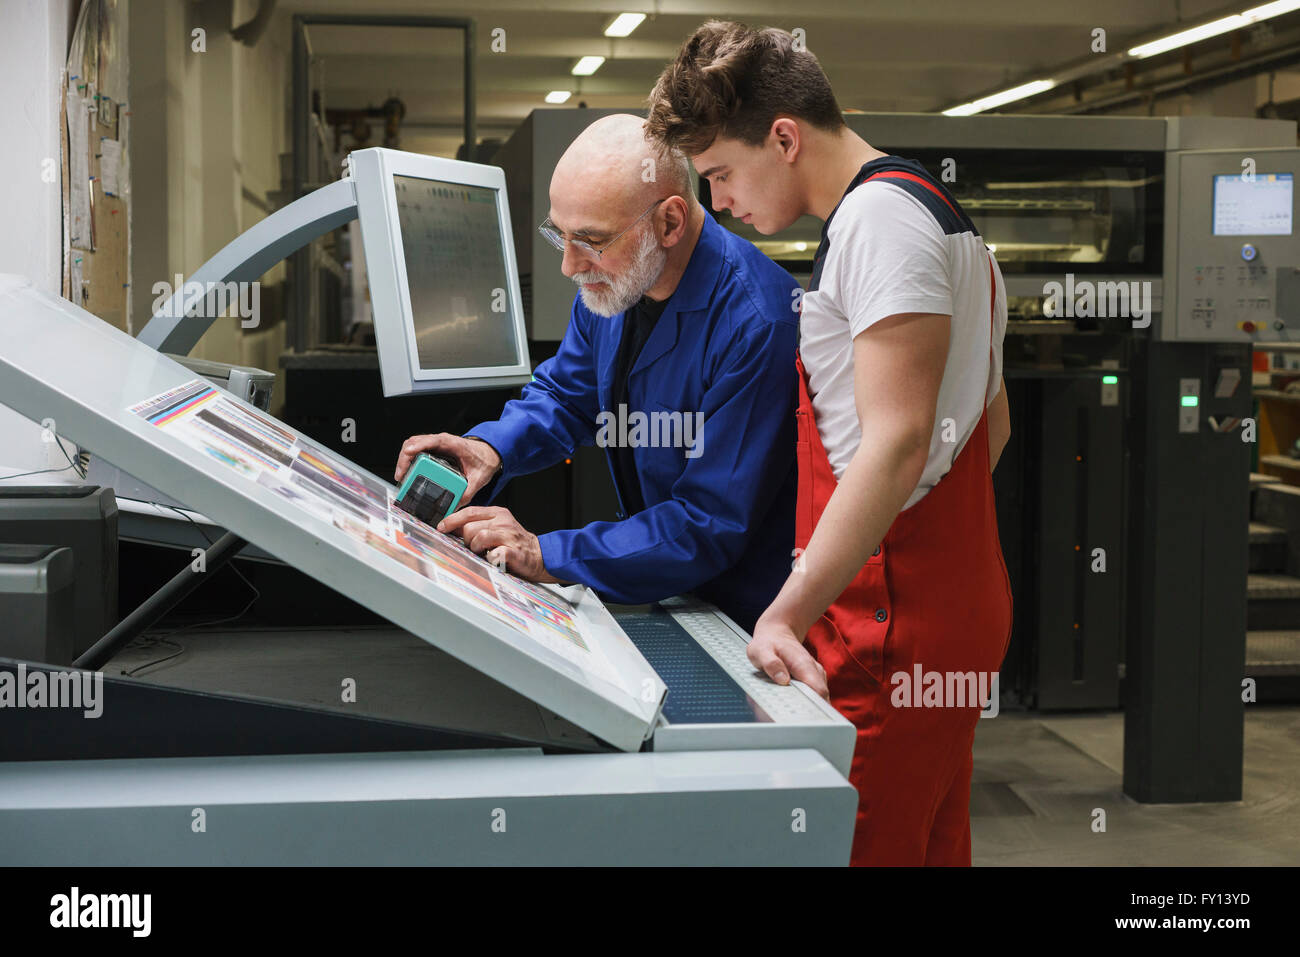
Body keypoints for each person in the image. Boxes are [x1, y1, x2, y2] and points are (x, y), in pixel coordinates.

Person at [646, 21, 1013, 865]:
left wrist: (788, 612)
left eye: (721, 174)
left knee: (860, 843)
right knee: (930, 839)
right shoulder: (938, 213)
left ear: (784, 137)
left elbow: (895, 444)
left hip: (887, 620)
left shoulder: (878, 225)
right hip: (940, 603)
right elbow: (989, 424)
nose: (718, 204)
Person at [395, 114, 801, 634]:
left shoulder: (758, 324)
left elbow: (706, 523)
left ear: (670, 223)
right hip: (672, 591)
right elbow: (567, 395)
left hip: (749, 615)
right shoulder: (617, 281)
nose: (569, 265)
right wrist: (491, 449)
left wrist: (548, 554)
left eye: (590, 240)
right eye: (559, 235)